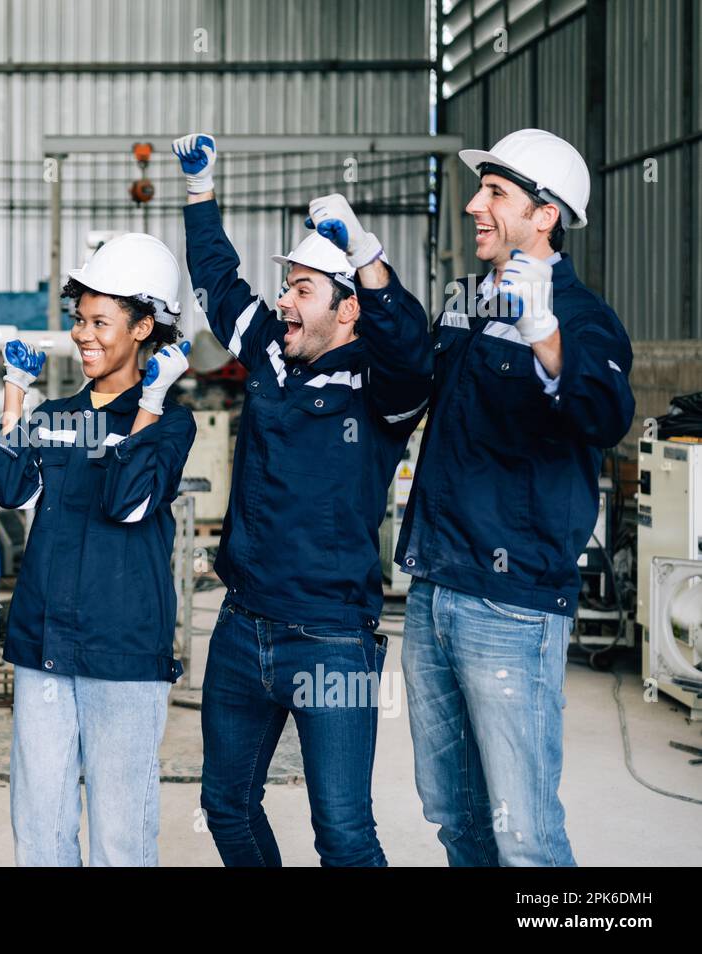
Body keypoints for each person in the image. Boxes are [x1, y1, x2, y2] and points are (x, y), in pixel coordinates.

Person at [172, 132, 433, 866]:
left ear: (347, 311)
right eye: (286, 286)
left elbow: (412, 350)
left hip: (332, 640)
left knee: (344, 834)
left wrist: (368, 254)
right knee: (225, 806)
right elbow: (219, 282)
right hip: (242, 624)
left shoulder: (381, 390)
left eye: (302, 290)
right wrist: (199, 191)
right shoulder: (269, 352)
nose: (283, 300)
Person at [396, 128, 635, 866]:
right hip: (436, 585)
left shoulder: (585, 319)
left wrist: (545, 336)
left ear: (546, 215)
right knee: (455, 816)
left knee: (523, 835)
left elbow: (605, 412)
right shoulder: (468, 303)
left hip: (511, 603)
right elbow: (409, 385)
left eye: (495, 193)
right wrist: (372, 280)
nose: (474, 205)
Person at [0, 233, 196, 866]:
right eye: (80, 320)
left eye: (101, 321)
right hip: (45, 640)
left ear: (144, 327)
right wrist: (17, 396)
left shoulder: (171, 420)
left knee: (119, 835)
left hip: (123, 647)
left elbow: (127, 502)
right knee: (41, 827)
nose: (83, 335)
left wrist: (151, 404)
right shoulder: (61, 411)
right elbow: (8, 483)